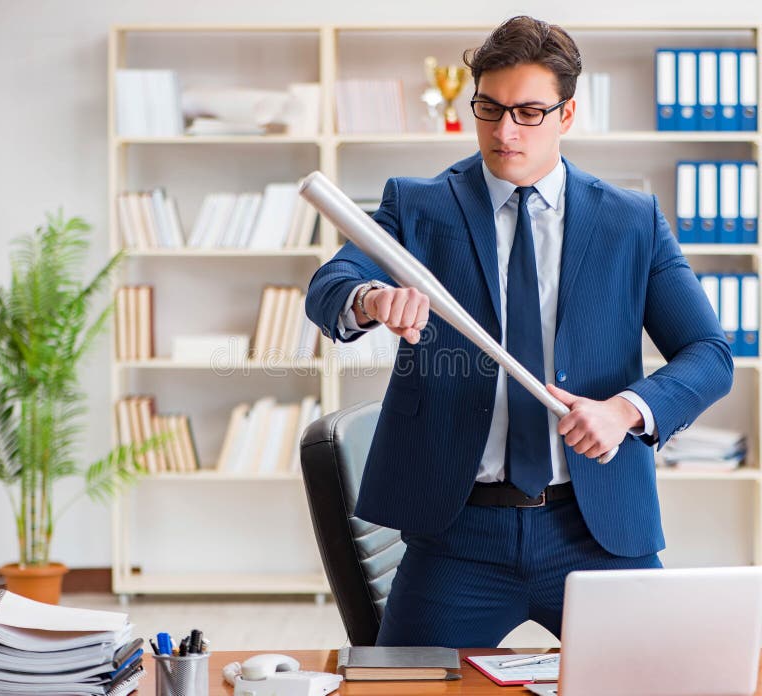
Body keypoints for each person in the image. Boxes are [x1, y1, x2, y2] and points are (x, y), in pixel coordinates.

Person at [305, 15, 734, 648]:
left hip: (597, 530)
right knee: (403, 688)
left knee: (659, 677)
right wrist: (370, 299)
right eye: (489, 108)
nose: (504, 131)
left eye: (529, 112)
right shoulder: (420, 205)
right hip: (457, 538)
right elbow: (330, 286)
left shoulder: (630, 220)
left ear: (567, 114)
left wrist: (623, 411)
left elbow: (709, 355)